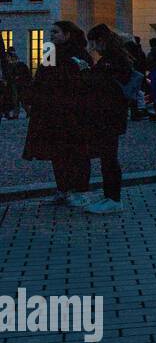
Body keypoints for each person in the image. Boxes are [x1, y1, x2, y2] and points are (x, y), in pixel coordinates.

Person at [22, 21, 94, 207]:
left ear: (67, 34)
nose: (51, 35)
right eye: (51, 32)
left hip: (74, 112)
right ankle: (63, 188)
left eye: (55, 32)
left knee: (78, 152)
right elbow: (41, 77)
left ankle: (80, 190)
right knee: (58, 153)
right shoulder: (50, 52)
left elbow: (85, 81)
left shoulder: (79, 54)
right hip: (52, 112)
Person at [82, 24, 134, 213]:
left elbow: (105, 85)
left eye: (94, 42)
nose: (92, 47)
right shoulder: (114, 58)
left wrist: (87, 72)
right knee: (107, 157)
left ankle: (113, 198)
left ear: (102, 40)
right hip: (109, 114)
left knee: (109, 158)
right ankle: (109, 196)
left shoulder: (114, 60)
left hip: (109, 115)